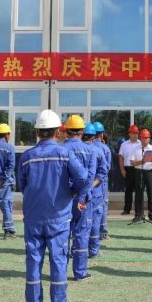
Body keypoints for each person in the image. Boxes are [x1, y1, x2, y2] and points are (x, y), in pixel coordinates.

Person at [18, 109, 90, 302]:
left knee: (33, 261)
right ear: (59, 131)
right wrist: (70, 192)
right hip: (58, 216)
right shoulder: (65, 154)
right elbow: (83, 179)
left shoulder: (27, 156)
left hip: (33, 216)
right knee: (58, 261)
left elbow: (22, 185)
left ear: (38, 131)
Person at [62, 115, 99, 281]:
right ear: (82, 131)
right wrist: (82, 196)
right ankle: (80, 272)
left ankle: (61, 271)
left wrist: (70, 192)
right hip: (83, 199)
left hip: (65, 198)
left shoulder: (61, 149)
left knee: (63, 234)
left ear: (66, 131)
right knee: (81, 233)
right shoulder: (91, 150)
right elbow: (90, 177)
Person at [84, 123, 108, 259]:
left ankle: (77, 249)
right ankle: (93, 251)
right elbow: (104, 171)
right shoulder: (101, 150)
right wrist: (93, 184)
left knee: (78, 221)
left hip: (79, 192)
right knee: (95, 221)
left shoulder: (73, 149)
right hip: (96, 190)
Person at [130, 128, 152, 222]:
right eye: (143, 138)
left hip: (150, 172)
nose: (144, 140)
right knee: (139, 194)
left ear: (149, 138)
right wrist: (141, 161)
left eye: (146, 138)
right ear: (140, 138)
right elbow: (132, 162)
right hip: (139, 172)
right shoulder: (135, 148)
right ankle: (138, 214)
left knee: (151, 193)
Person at [93, 122, 112, 242]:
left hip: (87, 181)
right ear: (102, 134)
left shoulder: (84, 146)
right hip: (101, 182)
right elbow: (107, 167)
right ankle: (103, 233)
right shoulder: (104, 148)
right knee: (102, 206)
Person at [118, 125, 142, 215]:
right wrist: (122, 169)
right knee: (128, 190)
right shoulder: (124, 144)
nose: (135, 135)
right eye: (133, 133)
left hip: (138, 169)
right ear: (129, 134)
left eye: (137, 133)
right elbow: (121, 157)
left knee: (138, 190)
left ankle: (138, 210)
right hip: (128, 169)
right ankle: (126, 209)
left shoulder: (140, 144)